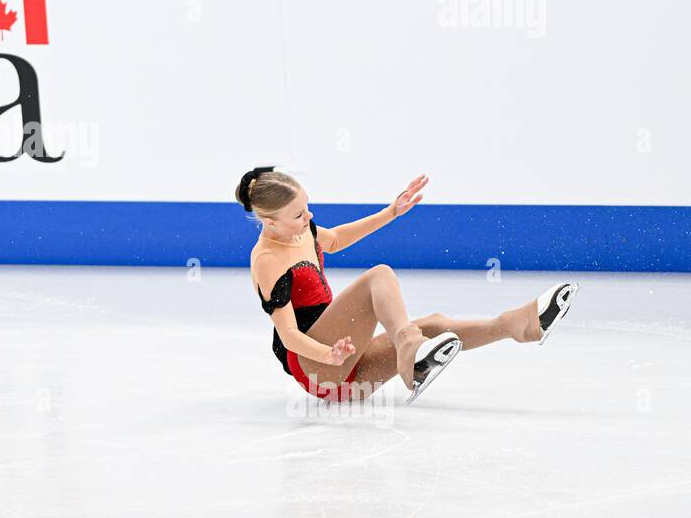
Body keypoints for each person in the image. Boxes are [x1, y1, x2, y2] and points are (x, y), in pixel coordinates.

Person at [238, 166, 578, 404]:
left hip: (350, 374)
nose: (309, 217)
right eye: (298, 214)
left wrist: (391, 212)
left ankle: (518, 325)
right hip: (319, 370)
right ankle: (408, 350)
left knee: (433, 325)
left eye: (307, 207)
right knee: (379, 275)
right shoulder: (267, 260)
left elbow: (337, 240)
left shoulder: (301, 230)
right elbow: (288, 337)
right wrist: (330, 354)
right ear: (269, 222)